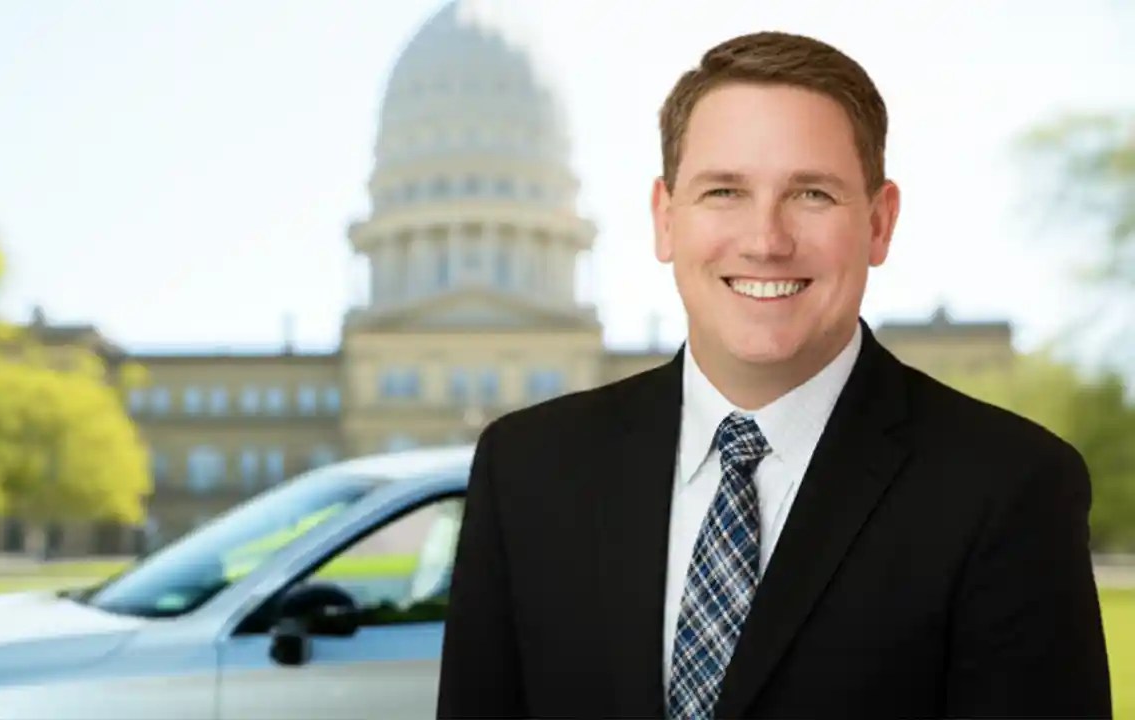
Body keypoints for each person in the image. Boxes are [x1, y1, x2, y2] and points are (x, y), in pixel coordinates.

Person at [436, 30, 1111, 719]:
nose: (766, 240)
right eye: (724, 190)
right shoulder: (525, 471)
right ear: (665, 219)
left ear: (880, 224)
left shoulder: (1009, 488)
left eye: (812, 194)